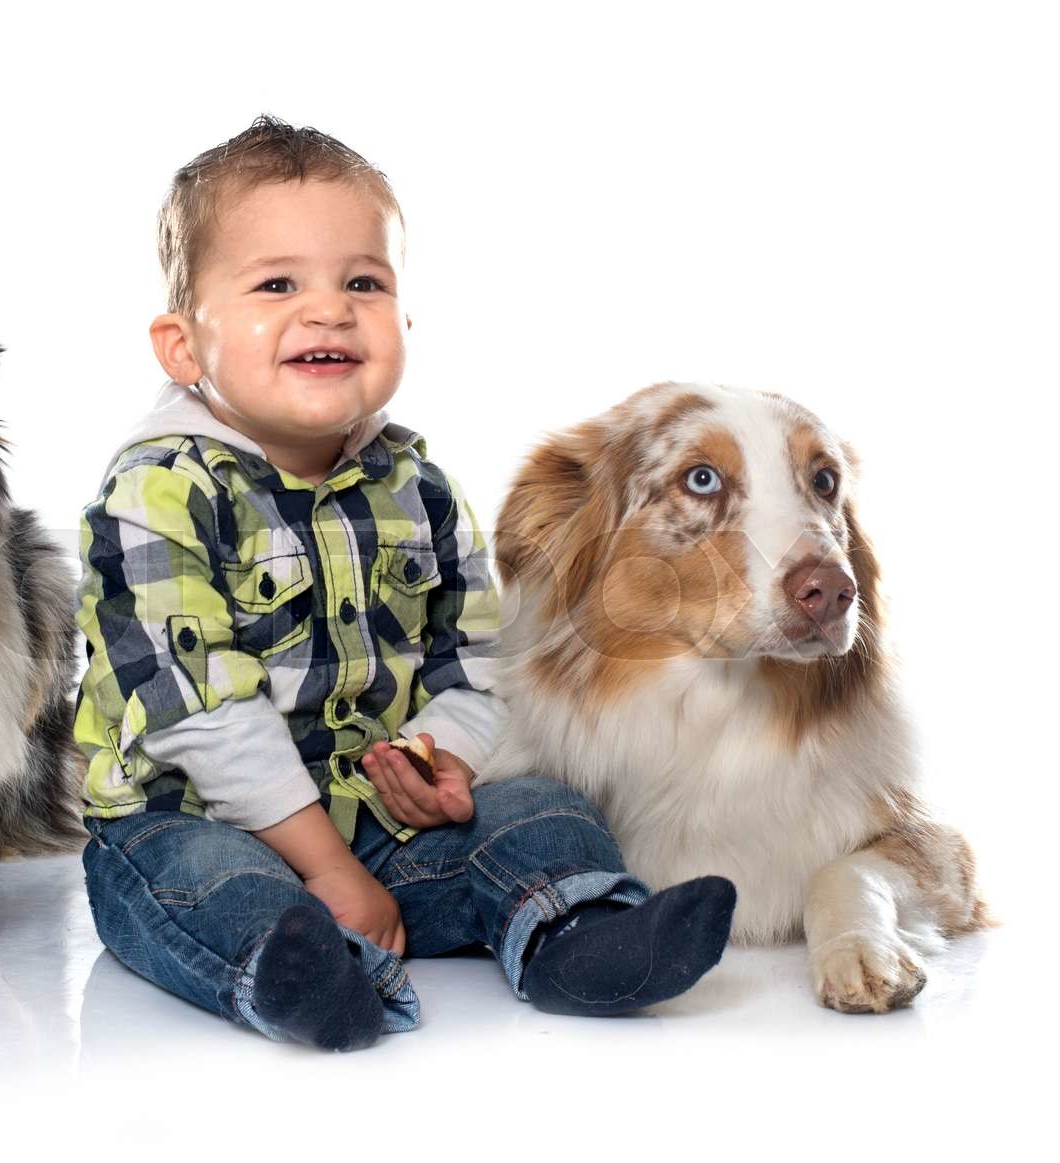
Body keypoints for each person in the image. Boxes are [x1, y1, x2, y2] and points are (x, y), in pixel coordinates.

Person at [73, 116, 736, 1050]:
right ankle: (293, 975)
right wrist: (329, 872)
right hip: (186, 816)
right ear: (183, 348)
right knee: (205, 885)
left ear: (404, 320)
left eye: (363, 282)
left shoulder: (415, 487)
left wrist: (437, 765)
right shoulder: (157, 490)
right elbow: (204, 718)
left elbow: (476, 665)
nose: (330, 309)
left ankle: (578, 937)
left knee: (540, 808)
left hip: (375, 823)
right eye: (277, 284)